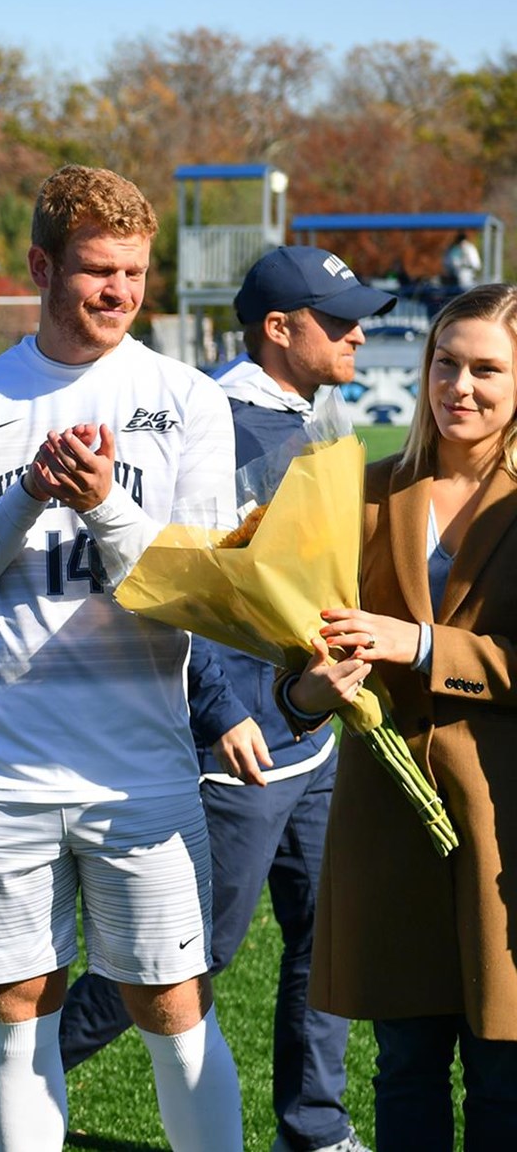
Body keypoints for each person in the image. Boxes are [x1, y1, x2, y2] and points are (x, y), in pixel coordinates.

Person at [0, 165, 243, 1152]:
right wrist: (27, 496)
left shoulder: (187, 397)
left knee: (175, 1005)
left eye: (134, 273)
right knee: (18, 1006)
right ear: (41, 265)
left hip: (141, 764)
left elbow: (202, 591)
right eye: (97, 271)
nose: (118, 294)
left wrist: (101, 497)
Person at [55, 246, 394, 1152]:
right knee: (185, 954)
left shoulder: (310, 418)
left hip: (313, 736)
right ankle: (14, 1059)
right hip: (241, 743)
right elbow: (163, 580)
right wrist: (220, 710)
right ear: (279, 330)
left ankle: (314, 1128)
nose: (360, 331)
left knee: (328, 944)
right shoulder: (216, 420)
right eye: (339, 318)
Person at [284, 283, 517, 1148]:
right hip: (389, 822)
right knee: (405, 1067)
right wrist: (316, 688)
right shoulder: (364, 492)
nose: (460, 385)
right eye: (444, 363)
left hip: (504, 823)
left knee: (504, 1072)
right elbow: (295, 675)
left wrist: (418, 646)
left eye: (487, 369)